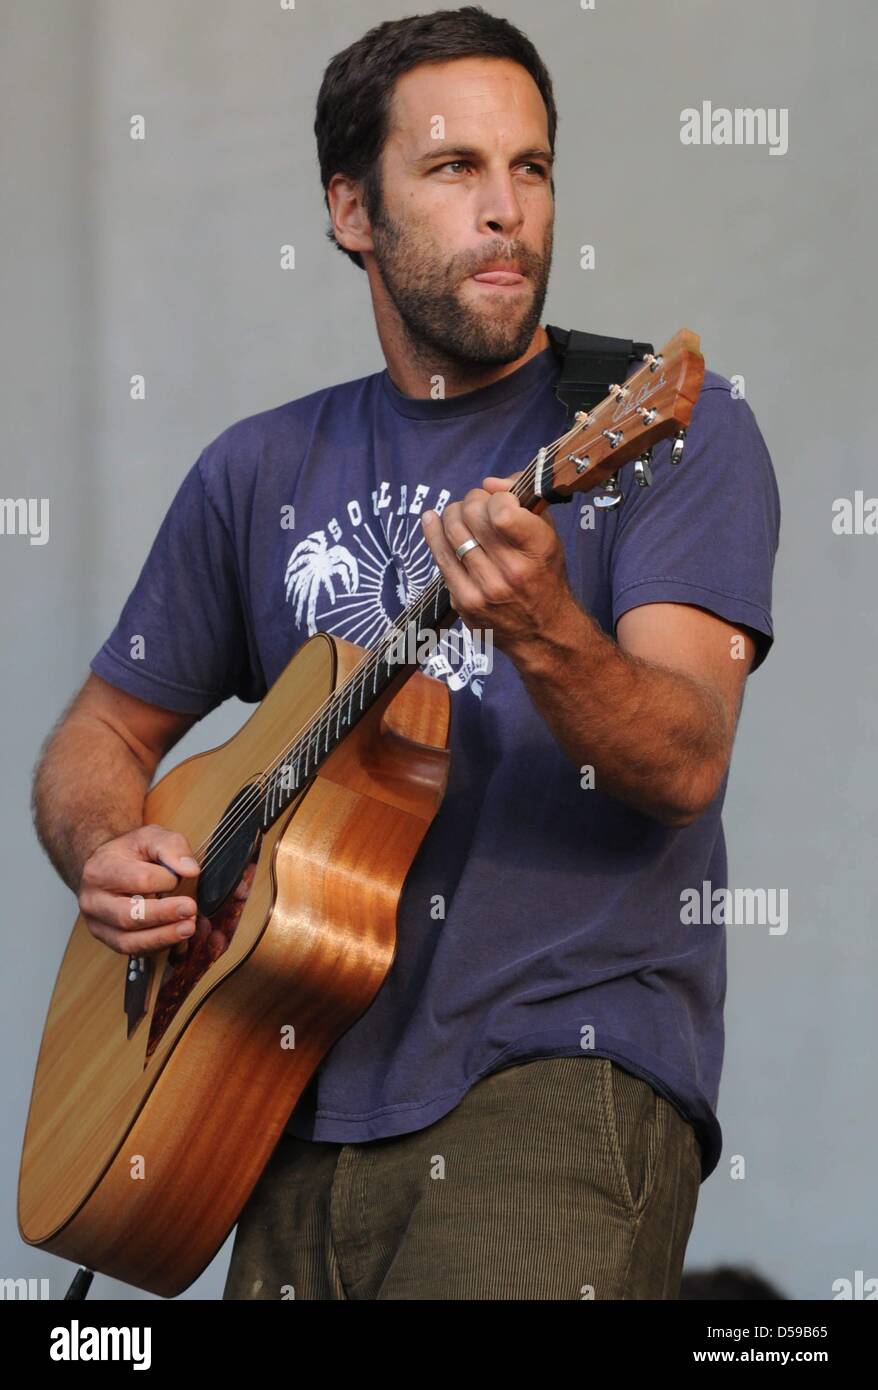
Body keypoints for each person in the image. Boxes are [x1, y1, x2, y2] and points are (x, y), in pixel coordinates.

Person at [32, 6, 780, 1300]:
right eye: (452, 169)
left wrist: (545, 626)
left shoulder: (667, 426)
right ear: (350, 213)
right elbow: (95, 738)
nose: (506, 211)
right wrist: (111, 847)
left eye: (528, 168)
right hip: (264, 1088)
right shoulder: (258, 467)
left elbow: (684, 756)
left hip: (556, 1075)